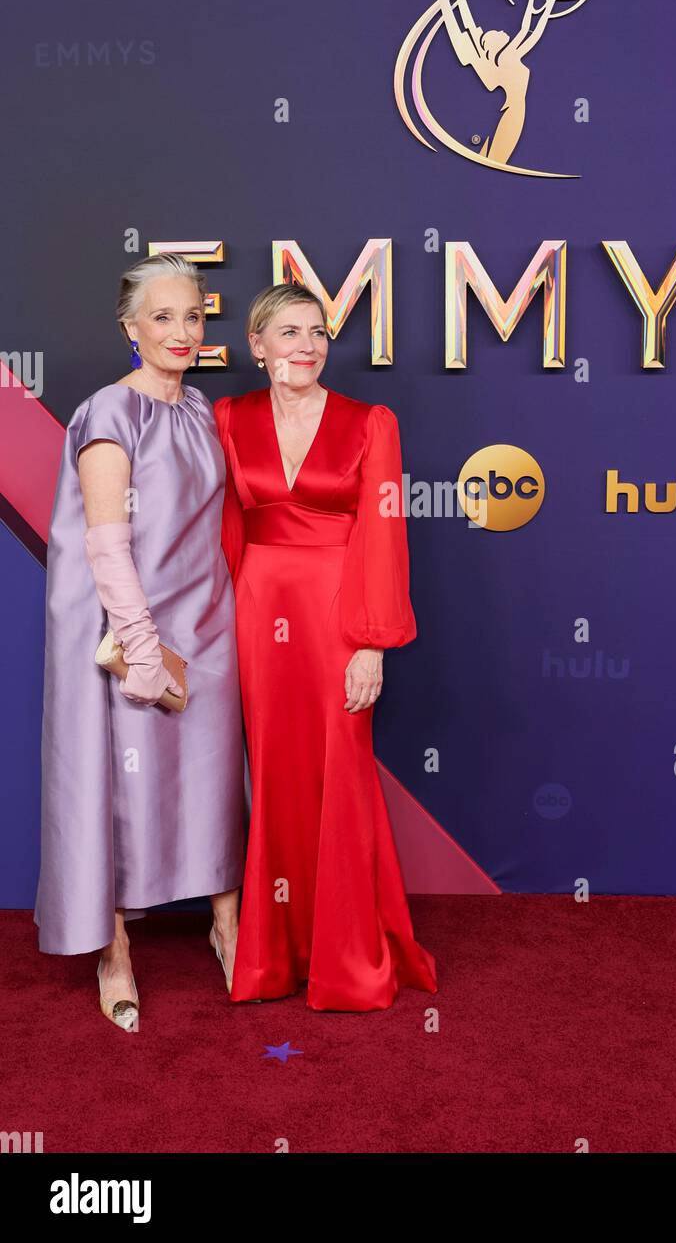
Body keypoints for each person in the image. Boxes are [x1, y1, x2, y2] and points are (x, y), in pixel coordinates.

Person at [34, 253, 246, 1031]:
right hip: (129, 628)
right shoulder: (108, 413)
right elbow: (105, 546)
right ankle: (113, 946)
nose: (182, 331)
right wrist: (143, 646)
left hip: (209, 623)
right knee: (117, 789)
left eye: (193, 315)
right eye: (163, 317)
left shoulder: (199, 411)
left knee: (216, 776)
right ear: (131, 328)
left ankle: (228, 925)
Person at [213, 283, 437, 1011]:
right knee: (272, 774)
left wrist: (371, 643)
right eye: (288, 332)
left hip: (337, 614)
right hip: (255, 615)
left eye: (317, 331)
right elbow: (221, 531)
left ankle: (345, 957)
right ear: (257, 346)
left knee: (340, 771)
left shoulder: (370, 421)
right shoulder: (228, 417)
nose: (305, 345)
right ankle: (277, 954)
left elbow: (383, 536)